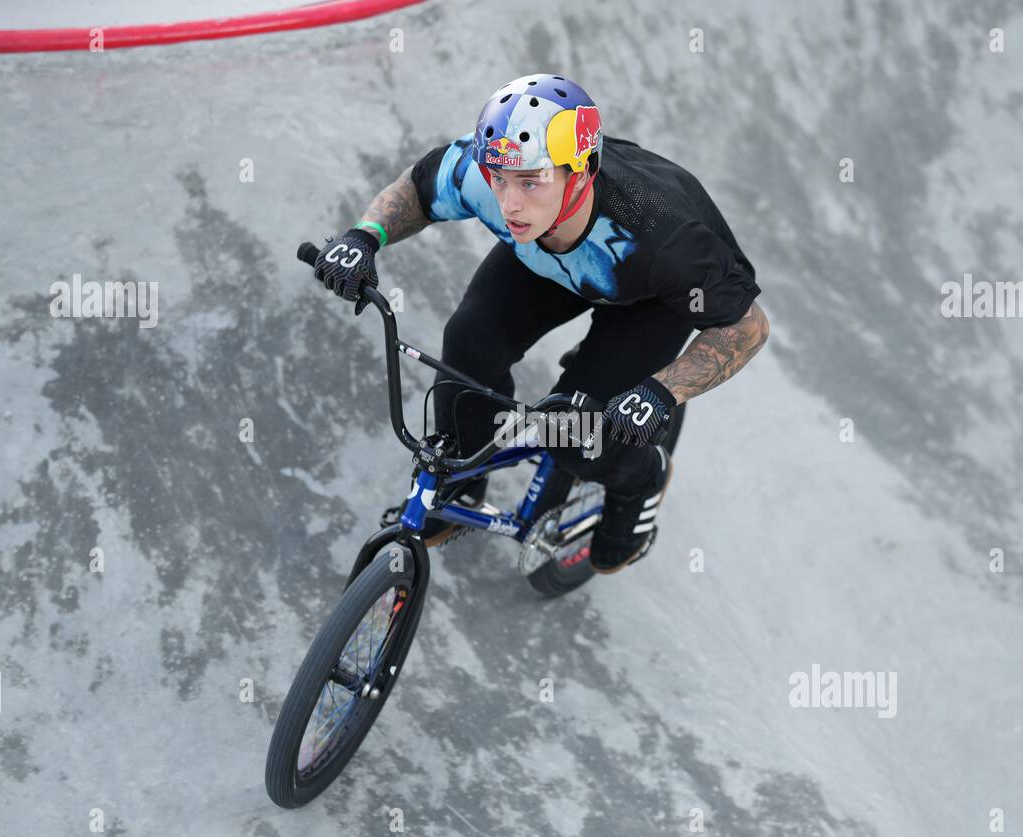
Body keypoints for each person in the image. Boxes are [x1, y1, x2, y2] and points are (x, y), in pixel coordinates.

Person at [312, 73, 769, 573]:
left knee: (575, 437)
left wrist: (661, 392)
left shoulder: (667, 238)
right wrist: (364, 236)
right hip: (545, 256)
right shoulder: (486, 179)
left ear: (581, 173)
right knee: (467, 344)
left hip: (649, 296)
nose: (509, 203)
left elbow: (746, 329)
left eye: (531, 181)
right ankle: (463, 484)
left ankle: (642, 479)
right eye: (500, 179)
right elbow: (417, 192)